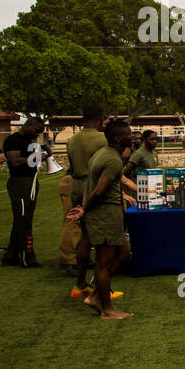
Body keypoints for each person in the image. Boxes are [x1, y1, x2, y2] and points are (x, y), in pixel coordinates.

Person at [66, 120, 137, 319]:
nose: (131, 136)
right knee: (104, 262)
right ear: (117, 138)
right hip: (105, 214)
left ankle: (97, 295)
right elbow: (98, 191)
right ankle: (106, 309)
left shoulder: (102, 154)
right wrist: (84, 210)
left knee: (123, 253)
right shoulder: (113, 161)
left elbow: (90, 186)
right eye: (128, 134)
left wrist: (83, 207)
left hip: (109, 214)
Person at [60, 105, 108, 275]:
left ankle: (81, 257)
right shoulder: (102, 139)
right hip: (92, 183)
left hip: (76, 182)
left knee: (77, 222)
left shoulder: (72, 139)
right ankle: (69, 259)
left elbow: (72, 166)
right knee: (89, 223)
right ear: (99, 118)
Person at [2, 117, 47, 268]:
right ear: (28, 125)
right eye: (36, 131)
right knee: (24, 220)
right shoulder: (13, 140)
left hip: (30, 181)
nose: (37, 134)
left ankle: (11, 255)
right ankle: (27, 257)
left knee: (22, 219)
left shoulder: (29, 141)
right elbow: (14, 161)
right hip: (20, 181)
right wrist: (36, 157)